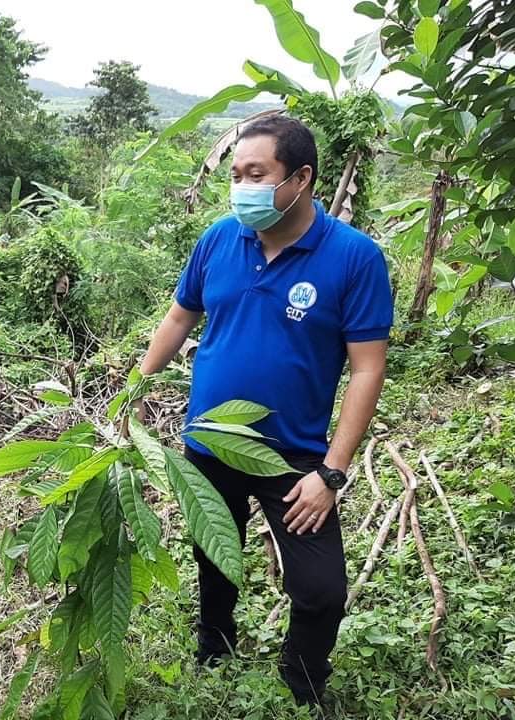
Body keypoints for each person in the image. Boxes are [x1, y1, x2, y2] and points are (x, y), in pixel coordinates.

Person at [138, 115, 393, 705]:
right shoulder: (219, 239)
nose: (242, 188)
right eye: (235, 175)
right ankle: (215, 641)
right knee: (214, 552)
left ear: (301, 178)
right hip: (208, 442)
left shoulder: (354, 258)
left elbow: (366, 368)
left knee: (322, 590)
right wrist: (133, 390)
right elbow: (180, 317)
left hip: (296, 457)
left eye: (257, 174)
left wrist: (330, 471)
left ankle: (302, 678)